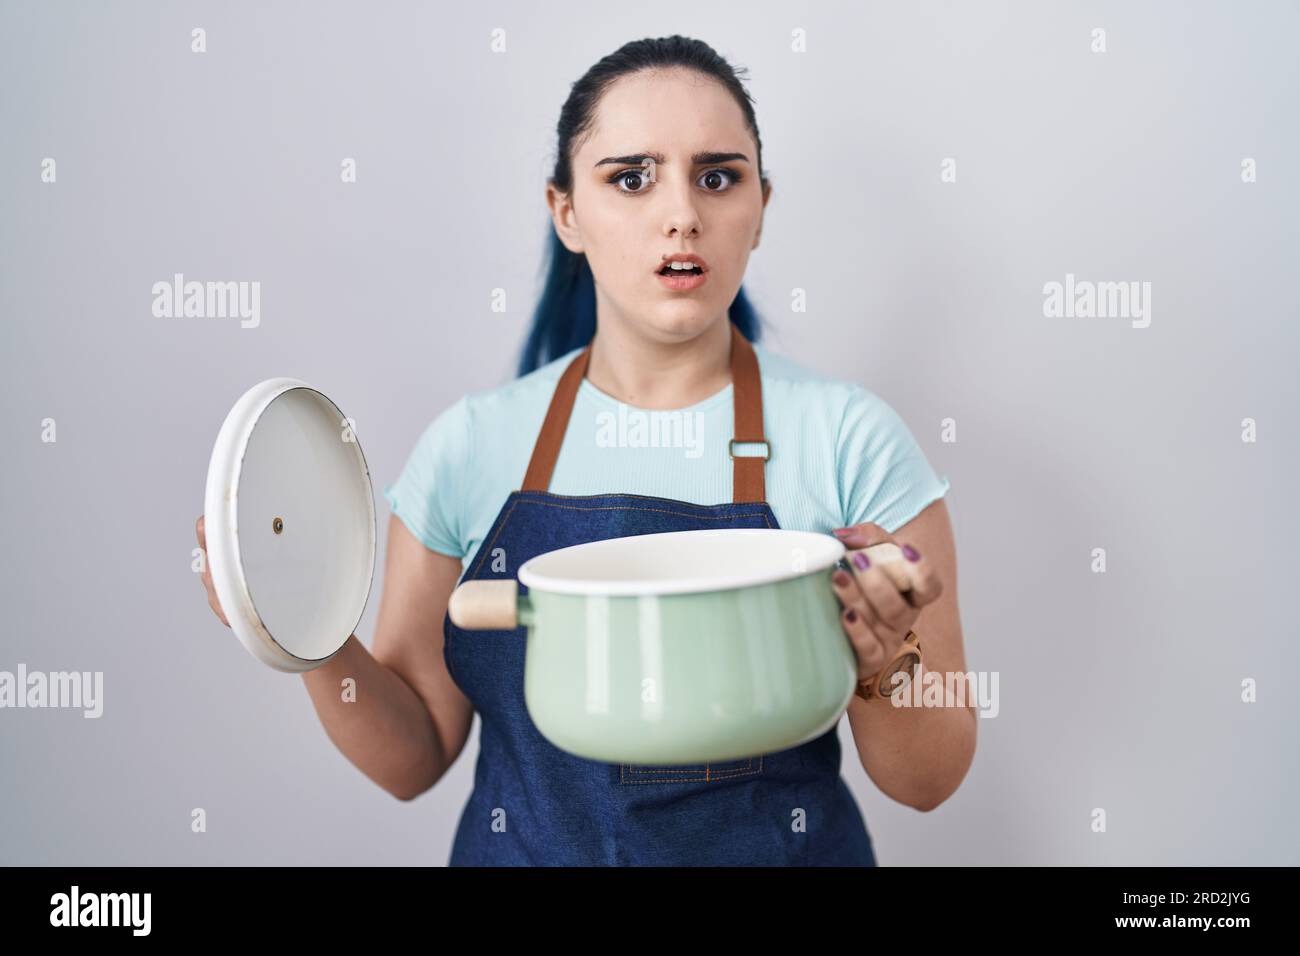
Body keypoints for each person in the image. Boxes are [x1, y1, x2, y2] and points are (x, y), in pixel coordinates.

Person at [197, 34, 975, 866]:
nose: (682, 213)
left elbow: (927, 781)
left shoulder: (854, 444)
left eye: (718, 176)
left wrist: (889, 661)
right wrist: (306, 636)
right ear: (567, 213)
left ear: (761, 208)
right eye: (631, 178)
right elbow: (413, 756)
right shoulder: (469, 449)